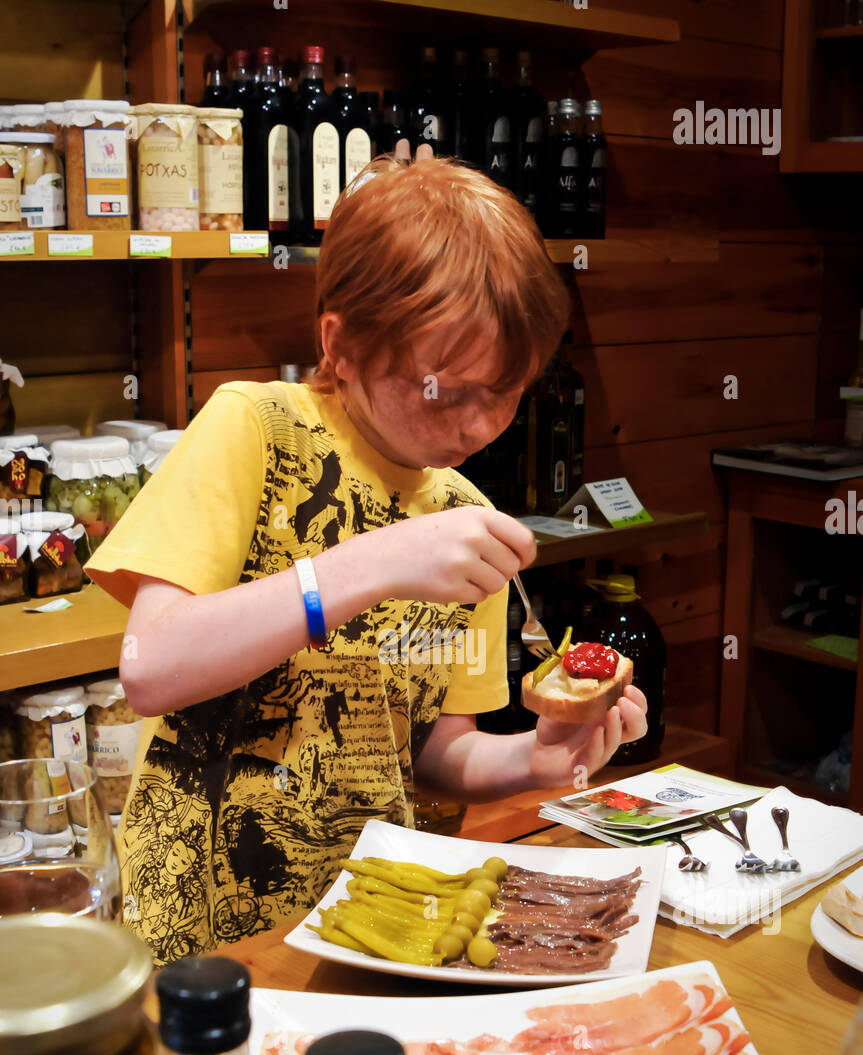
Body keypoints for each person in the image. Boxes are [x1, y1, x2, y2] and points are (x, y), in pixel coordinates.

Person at [87, 156, 647, 963]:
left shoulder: (464, 521)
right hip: (201, 933)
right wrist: (371, 563)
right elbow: (151, 668)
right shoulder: (253, 426)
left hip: (382, 926)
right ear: (340, 344)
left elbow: (434, 753)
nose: (479, 424)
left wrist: (535, 756)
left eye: (508, 389)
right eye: (443, 390)